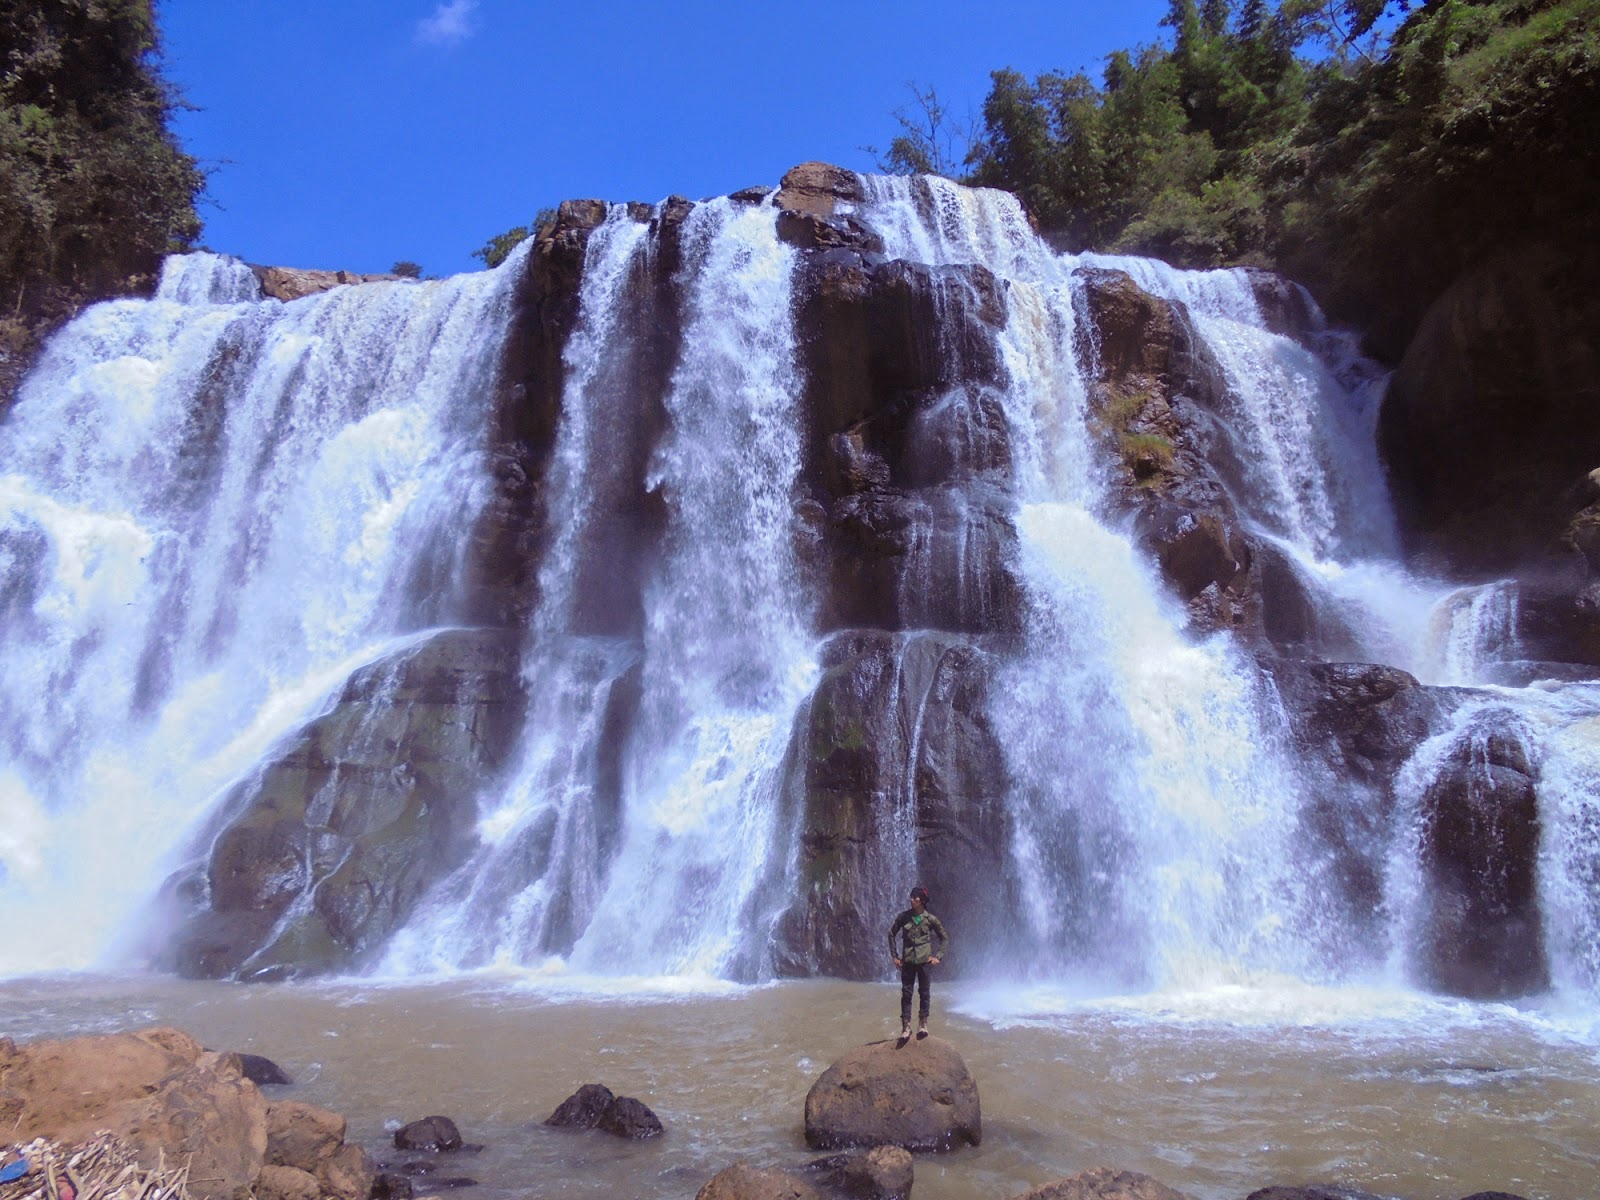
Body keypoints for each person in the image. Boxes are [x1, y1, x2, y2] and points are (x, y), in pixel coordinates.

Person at [887, 885, 948, 1041]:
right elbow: (891, 934)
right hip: (907, 962)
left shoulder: (931, 920)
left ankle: (923, 1024)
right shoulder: (903, 917)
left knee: (924, 993)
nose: (912, 900)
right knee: (907, 994)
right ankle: (906, 1027)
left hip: (924, 962)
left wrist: (938, 957)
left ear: (922, 900)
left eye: (915, 898)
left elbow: (944, 938)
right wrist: (894, 956)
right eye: (911, 897)